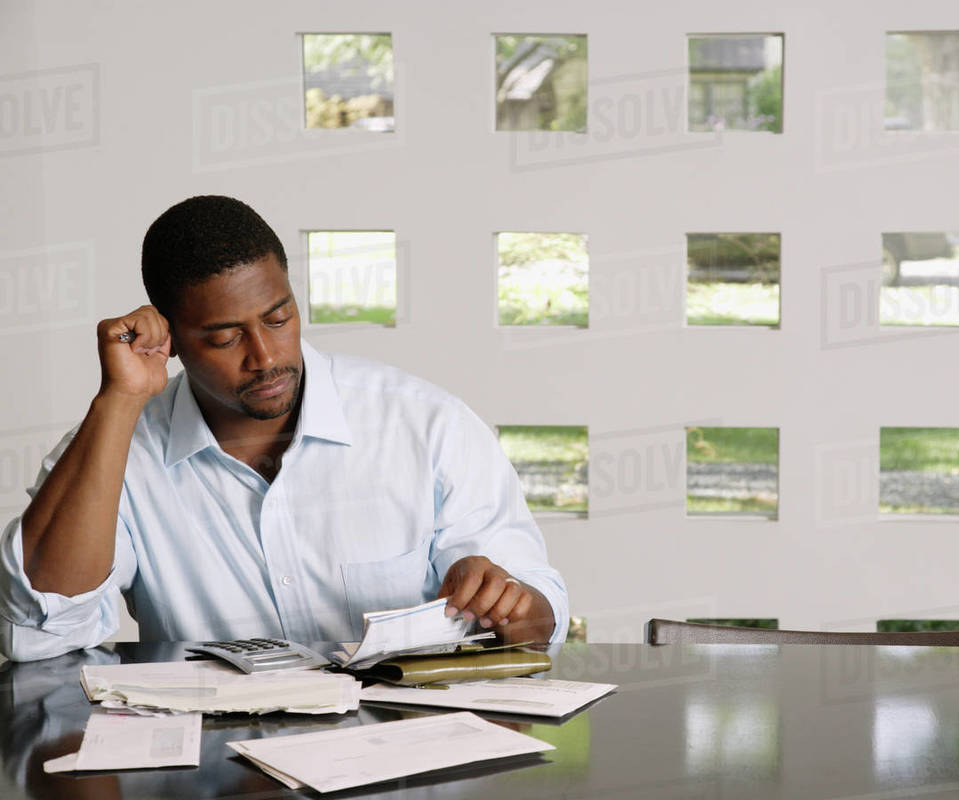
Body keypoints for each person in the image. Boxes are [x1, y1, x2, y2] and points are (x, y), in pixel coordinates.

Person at [0, 196, 568, 661]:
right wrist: (119, 402)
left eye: (279, 317)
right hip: (214, 771)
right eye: (224, 338)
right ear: (168, 338)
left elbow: (541, 615)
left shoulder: (424, 423)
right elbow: (39, 627)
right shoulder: (116, 448)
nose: (266, 356)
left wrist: (512, 603)